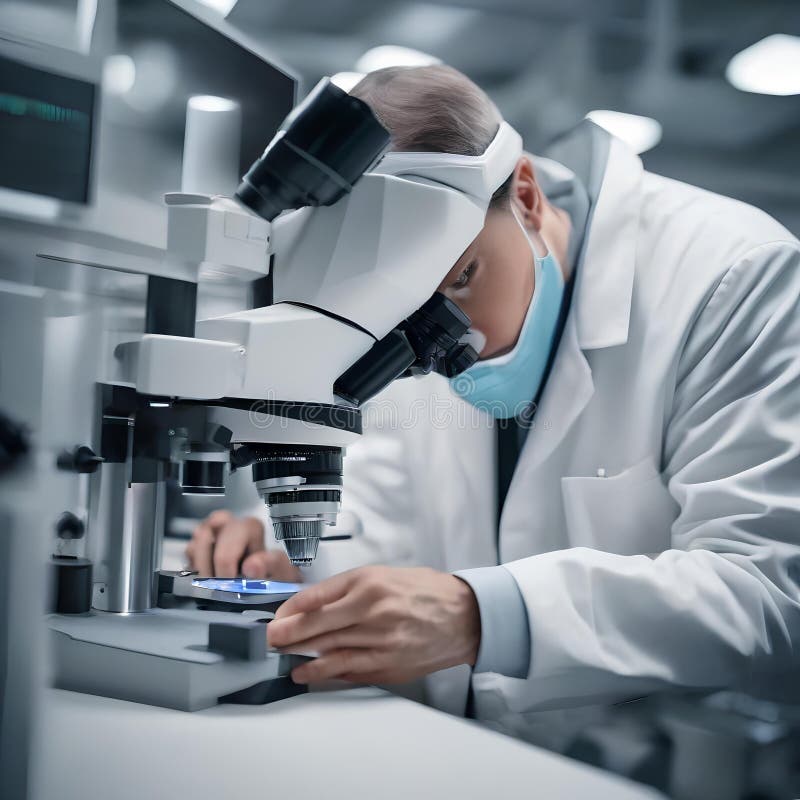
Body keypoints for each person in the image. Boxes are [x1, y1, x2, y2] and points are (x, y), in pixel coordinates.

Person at [186, 64, 800, 749]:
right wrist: (289, 557)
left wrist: (487, 616)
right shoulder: (405, 325)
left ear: (528, 198)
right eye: (409, 316)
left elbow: (770, 594)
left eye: (463, 279)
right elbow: (384, 512)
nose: (456, 341)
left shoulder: (733, 277)